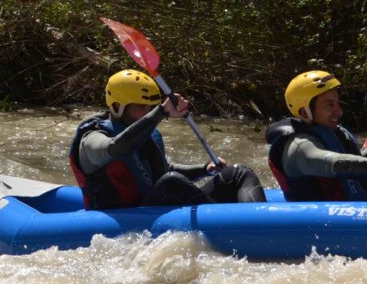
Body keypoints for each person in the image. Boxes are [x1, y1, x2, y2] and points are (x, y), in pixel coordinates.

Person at [70, 69, 266, 210]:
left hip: (154, 206)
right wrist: (160, 112)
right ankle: (229, 224)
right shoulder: (92, 138)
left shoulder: (145, 132)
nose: (146, 113)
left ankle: (260, 222)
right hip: (125, 216)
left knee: (238, 173)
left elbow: (165, 170)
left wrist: (204, 169)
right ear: (117, 106)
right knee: (171, 182)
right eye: (140, 107)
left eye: (150, 107)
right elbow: (115, 148)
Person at [265, 70, 367, 202]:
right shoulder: (300, 146)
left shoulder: (328, 132)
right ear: (304, 111)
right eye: (329, 105)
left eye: (337, 103)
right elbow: (338, 165)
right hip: (325, 221)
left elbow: (351, 167)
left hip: (353, 206)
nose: (338, 111)